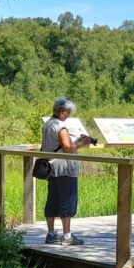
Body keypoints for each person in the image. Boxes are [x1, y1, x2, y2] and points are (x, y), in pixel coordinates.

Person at [42, 97, 93, 246]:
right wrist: (82, 144)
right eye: (68, 112)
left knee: (52, 201)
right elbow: (67, 148)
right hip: (65, 168)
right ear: (62, 112)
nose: (69, 115)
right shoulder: (61, 127)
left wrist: (76, 142)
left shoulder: (48, 124)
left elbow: (58, 145)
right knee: (67, 202)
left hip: (52, 167)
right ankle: (67, 236)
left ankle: (51, 234)